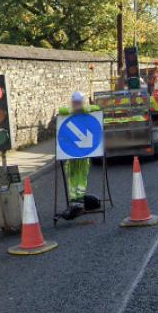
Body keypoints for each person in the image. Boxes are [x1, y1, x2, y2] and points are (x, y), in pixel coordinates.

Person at [57, 90, 101, 219]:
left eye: (79, 102)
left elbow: (97, 107)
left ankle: (80, 199)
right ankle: (74, 200)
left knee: (81, 175)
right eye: (75, 102)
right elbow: (61, 110)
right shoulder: (68, 111)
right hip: (71, 151)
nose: (77, 104)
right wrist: (73, 110)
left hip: (84, 151)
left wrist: (84, 108)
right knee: (71, 174)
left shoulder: (87, 110)